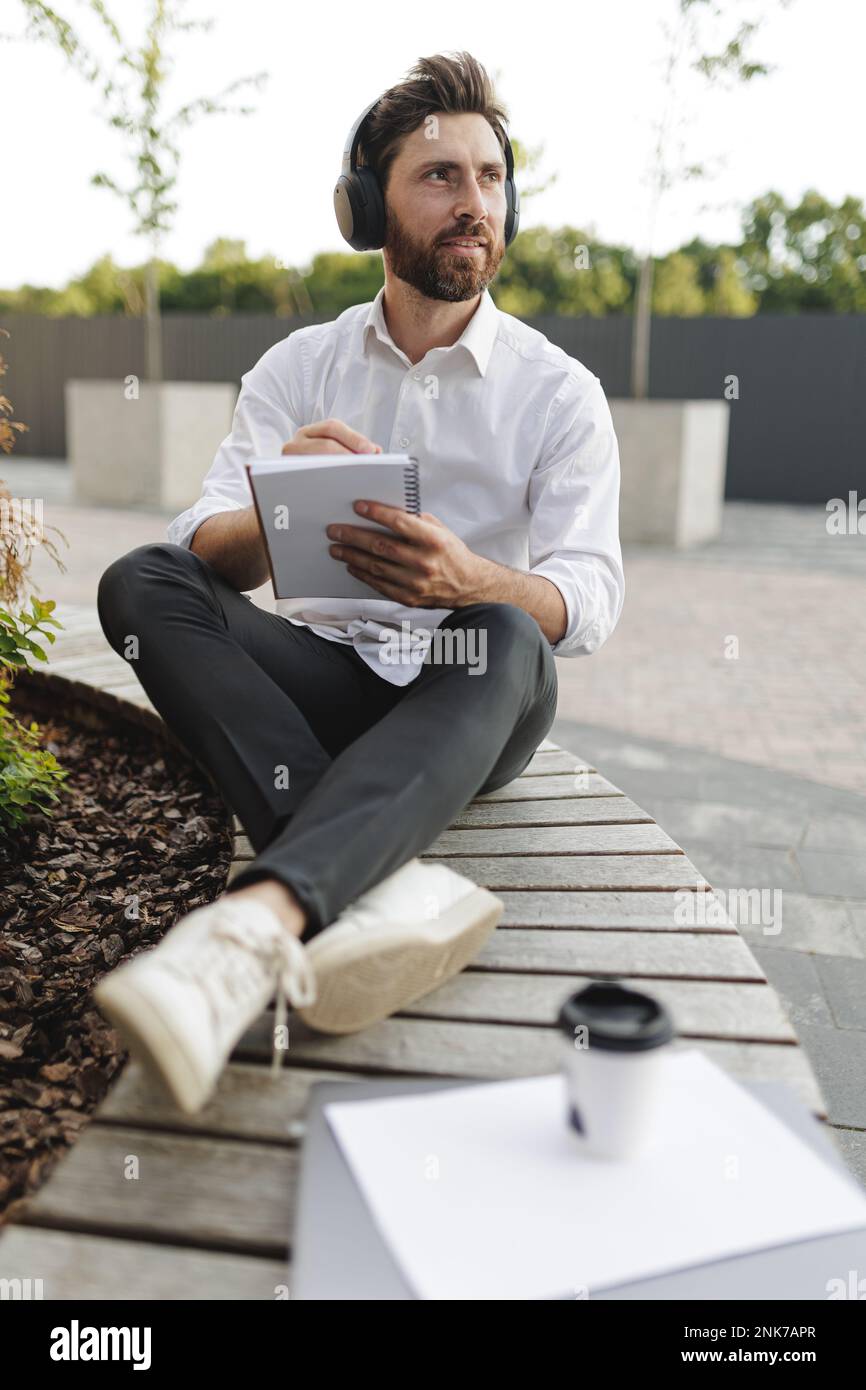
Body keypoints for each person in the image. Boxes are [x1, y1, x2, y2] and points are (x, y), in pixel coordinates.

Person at [93, 50, 625, 1115]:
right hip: (323, 678)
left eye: (488, 177)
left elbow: (587, 599)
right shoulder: (299, 363)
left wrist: (473, 577)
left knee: (506, 633)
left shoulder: (560, 393)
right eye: (439, 177)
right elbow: (201, 542)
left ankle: (252, 928)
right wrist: (277, 506)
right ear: (364, 206)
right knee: (141, 581)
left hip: (468, 690)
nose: (473, 203)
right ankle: (373, 895)